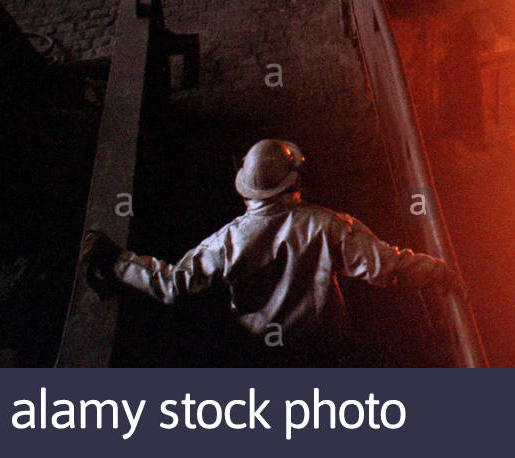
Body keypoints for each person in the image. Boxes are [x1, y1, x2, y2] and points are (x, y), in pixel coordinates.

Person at [81, 138, 460, 365]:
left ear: (246, 188)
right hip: (326, 343)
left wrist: (118, 261)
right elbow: (390, 268)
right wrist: (442, 271)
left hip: (262, 348)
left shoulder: (229, 241)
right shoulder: (327, 226)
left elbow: (174, 284)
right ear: (294, 182)